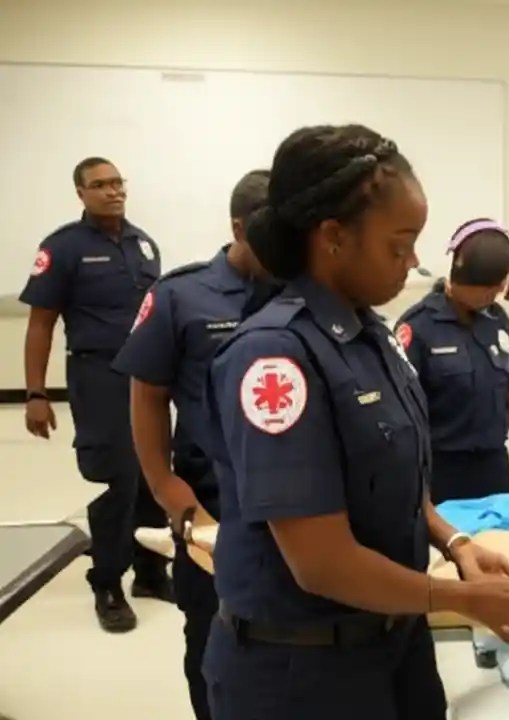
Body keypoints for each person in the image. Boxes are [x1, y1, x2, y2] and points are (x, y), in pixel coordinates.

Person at [200, 124, 509, 720]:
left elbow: (394, 484)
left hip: (392, 646)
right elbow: (321, 562)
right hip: (303, 674)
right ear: (333, 237)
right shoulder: (275, 358)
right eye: (399, 243)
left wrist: (454, 542)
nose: (413, 262)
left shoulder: (369, 336)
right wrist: (460, 598)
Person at [111, 169, 276, 720]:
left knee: (293, 646)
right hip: (211, 503)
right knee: (213, 639)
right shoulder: (182, 295)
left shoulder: (306, 292)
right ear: (238, 227)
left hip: (295, 503)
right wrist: (168, 490)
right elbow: (149, 396)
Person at [19, 156, 172, 633]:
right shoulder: (63, 247)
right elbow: (41, 324)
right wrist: (35, 392)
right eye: (100, 184)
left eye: (118, 182)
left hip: (147, 377)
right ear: (81, 193)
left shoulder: (144, 244)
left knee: (153, 472)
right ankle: (107, 580)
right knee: (116, 477)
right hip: (98, 375)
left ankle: (150, 570)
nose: (113, 191)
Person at [394, 218, 509, 502]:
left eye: (497, 288)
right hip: (439, 469)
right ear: (462, 279)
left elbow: (508, 396)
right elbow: (399, 413)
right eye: (486, 289)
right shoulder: (418, 327)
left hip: (492, 466)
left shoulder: (496, 321)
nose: (491, 295)